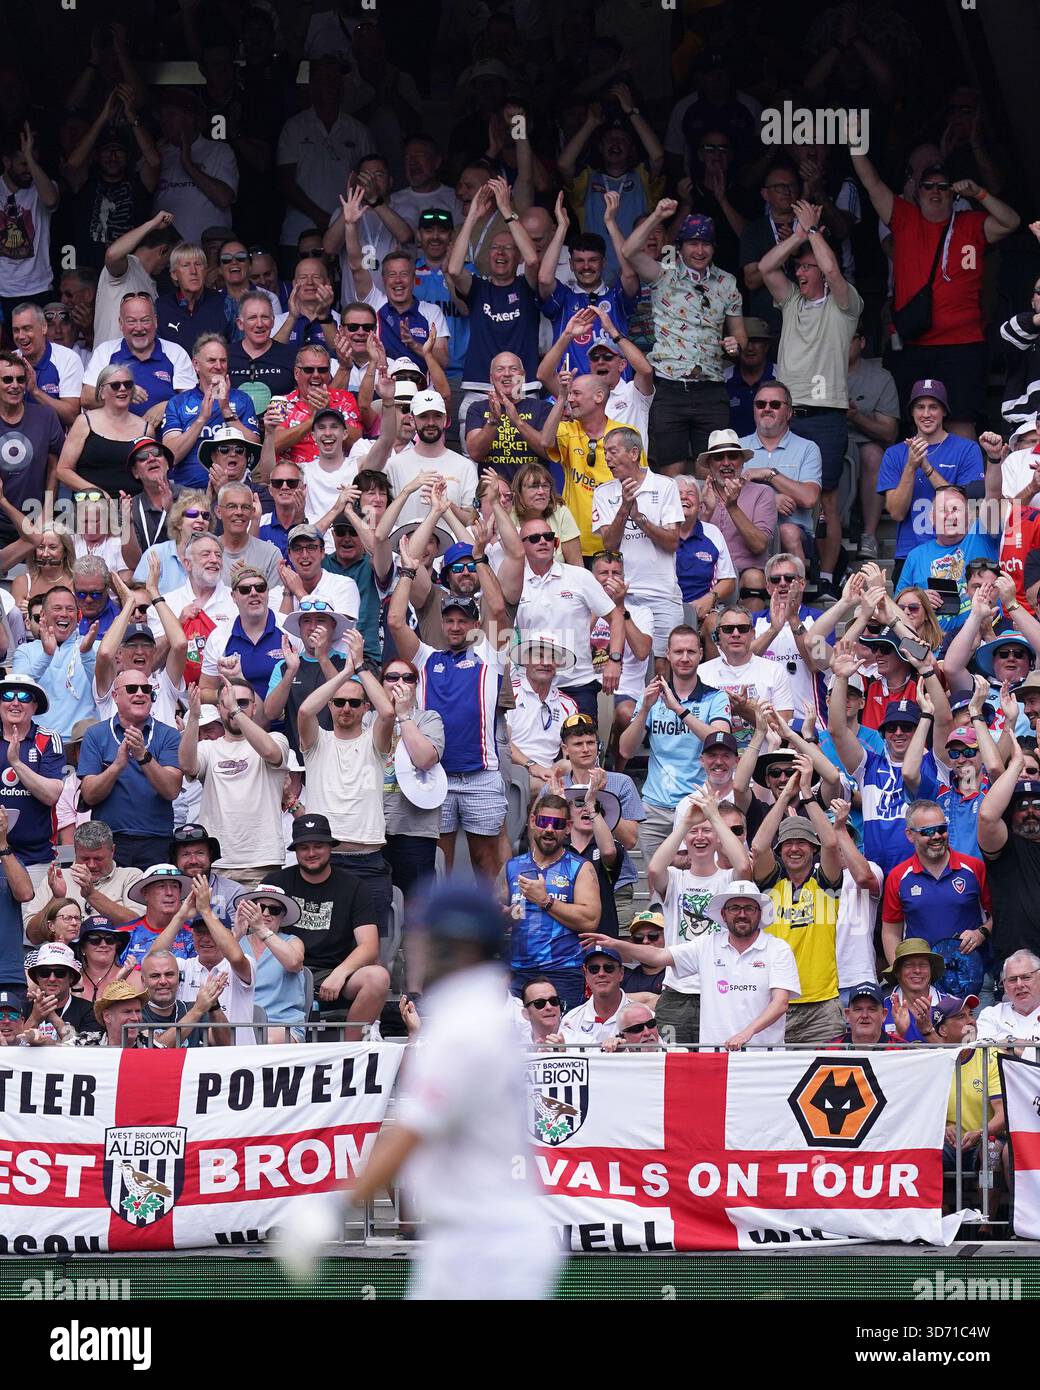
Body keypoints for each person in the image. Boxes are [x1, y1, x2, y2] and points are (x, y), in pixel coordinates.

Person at [327, 883, 561, 1301]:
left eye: (427, 935)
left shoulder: (466, 1024)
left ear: (457, 944)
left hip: (490, 1247)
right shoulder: (468, 1011)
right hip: (466, 1240)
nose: (416, 948)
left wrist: (330, 1209)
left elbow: (409, 1135)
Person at [852, 147, 1019, 434]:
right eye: (928, 186)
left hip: (963, 345)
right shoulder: (904, 218)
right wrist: (854, 144)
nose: (936, 191)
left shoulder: (971, 224)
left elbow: (1011, 221)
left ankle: (961, 481)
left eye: (943, 186)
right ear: (917, 192)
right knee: (912, 427)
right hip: (913, 345)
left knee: (961, 422)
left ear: (954, 195)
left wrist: (979, 193)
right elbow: (872, 183)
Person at [755, 201, 862, 594]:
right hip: (786, 413)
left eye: (806, 266)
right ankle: (789, 574)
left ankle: (828, 577)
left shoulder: (844, 305)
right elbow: (766, 267)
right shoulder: (790, 301)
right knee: (777, 492)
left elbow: (833, 270)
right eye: (798, 267)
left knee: (826, 501)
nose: (800, 272)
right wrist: (798, 236)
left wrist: (814, 231)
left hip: (826, 414)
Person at [588, 879, 800, 1048]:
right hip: (715, 1054)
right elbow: (658, 957)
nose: (742, 914)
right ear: (724, 914)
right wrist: (616, 944)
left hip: (763, 1056)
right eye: (734, 907)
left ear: (759, 913)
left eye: (749, 908)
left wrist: (748, 1032)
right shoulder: (707, 944)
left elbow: (780, 1003)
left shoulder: (778, 948)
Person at [621, 202, 745, 466]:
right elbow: (629, 250)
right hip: (668, 386)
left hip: (711, 387)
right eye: (692, 244)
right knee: (671, 470)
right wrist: (657, 216)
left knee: (712, 470)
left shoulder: (727, 282)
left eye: (706, 244)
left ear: (714, 247)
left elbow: (740, 336)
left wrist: (735, 346)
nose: (700, 251)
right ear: (680, 246)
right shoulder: (662, 273)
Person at [296, 630, 394, 932]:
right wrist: (345, 673)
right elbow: (304, 709)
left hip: (369, 861)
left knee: (371, 945)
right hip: (324, 862)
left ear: (365, 707)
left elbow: (388, 711)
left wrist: (361, 667)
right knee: (322, 944)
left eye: (354, 703)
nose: (346, 708)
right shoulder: (317, 742)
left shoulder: (373, 742)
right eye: (339, 702)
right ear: (331, 706)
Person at [645, 786, 752, 1043]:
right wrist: (685, 824)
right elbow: (653, 868)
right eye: (695, 832)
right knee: (674, 1068)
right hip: (677, 991)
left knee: (716, 1068)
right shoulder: (675, 879)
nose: (700, 837)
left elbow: (744, 866)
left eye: (707, 832)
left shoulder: (728, 879)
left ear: (717, 839)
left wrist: (714, 816)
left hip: (718, 990)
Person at [620, 625, 732, 861]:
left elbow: (720, 740)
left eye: (691, 652)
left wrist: (679, 710)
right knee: (656, 890)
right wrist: (645, 709)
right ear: (667, 654)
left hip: (698, 805)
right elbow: (625, 750)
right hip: (655, 808)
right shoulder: (651, 696)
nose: (684, 658)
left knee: (700, 882)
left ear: (701, 654)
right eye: (678, 652)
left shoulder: (716, 697)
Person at [270, 812, 388, 1035]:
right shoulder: (276, 883)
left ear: (330, 847)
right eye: (304, 847)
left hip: (331, 971)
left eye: (319, 846)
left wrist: (340, 973)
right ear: (295, 851)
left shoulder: (354, 886)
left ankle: (350, 1052)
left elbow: (370, 946)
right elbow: (258, 935)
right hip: (283, 970)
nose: (312, 853)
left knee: (378, 976)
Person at [751, 761, 844, 1044]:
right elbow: (758, 846)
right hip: (776, 1001)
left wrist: (806, 793)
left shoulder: (826, 885)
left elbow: (830, 843)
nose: (794, 848)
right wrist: (783, 796)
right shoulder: (770, 885)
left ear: (812, 848)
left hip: (822, 1004)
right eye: (787, 843)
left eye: (802, 842)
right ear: (780, 850)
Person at [179, 679, 289, 888]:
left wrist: (235, 710)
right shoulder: (208, 748)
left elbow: (270, 753)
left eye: (243, 702)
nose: (233, 707)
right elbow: (187, 766)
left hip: (262, 861)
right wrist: (193, 718)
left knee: (260, 921)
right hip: (218, 864)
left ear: (255, 707)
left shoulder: (276, 738)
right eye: (227, 703)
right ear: (219, 708)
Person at [592, 426, 683, 667]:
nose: (607, 458)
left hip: (662, 593)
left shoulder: (665, 486)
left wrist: (639, 518)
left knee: (666, 665)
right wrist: (624, 508)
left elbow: (673, 541)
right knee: (624, 666)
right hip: (622, 594)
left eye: (612, 451)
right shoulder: (602, 493)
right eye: (605, 452)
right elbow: (609, 545)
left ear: (634, 453)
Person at [515, 517, 624, 721]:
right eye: (535, 538)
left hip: (578, 684)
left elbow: (615, 617)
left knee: (583, 751)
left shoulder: (579, 576)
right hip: (531, 686)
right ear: (521, 546)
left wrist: (615, 660)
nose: (543, 541)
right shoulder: (514, 581)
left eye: (548, 537)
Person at [877, 379, 985, 574]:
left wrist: (927, 468)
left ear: (944, 411)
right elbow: (896, 512)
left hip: (957, 551)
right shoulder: (894, 454)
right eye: (920, 407)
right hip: (910, 554)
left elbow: (967, 507)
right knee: (908, 606)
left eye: (933, 407)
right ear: (912, 412)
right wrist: (910, 467)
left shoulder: (968, 449)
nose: (926, 414)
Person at [77, 669, 182, 869]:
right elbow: (89, 795)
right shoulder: (95, 734)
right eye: (132, 688)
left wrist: (143, 756)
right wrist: (117, 766)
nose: (140, 693)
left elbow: (171, 790)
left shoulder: (169, 735)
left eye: (146, 689)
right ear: (115, 696)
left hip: (156, 841)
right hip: (108, 843)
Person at [505, 794, 601, 1011]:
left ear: (567, 827)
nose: (549, 829)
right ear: (532, 821)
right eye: (542, 821)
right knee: (519, 1040)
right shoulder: (512, 867)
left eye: (556, 824)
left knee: (563, 1039)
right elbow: (494, 916)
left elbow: (590, 920)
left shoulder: (580, 867)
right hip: (520, 971)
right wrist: (503, 915)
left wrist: (545, 901)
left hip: (564, 970)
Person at [881, 799, 991, 989]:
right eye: (928, 831)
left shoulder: (974, 868)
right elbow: (891, 933)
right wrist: (901, 975)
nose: (937, 836)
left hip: (974, 976)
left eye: (942, 829)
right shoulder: (898, 877)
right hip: (923, 983)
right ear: (910, 835)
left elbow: (999, 915)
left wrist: (981, 932)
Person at [738, 381, 822, 570]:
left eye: (775, 405)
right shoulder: (737, 446)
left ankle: (795, 597)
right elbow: (723, 491)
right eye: (761, 404)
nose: (767, 409)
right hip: (747, 527)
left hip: (795, 530)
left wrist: (769, 474)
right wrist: (769, 500)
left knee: (788, 532)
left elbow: (809, 498)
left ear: (789, 412)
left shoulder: (807, 448)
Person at [83, 292, 195, 434]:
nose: (139, 327)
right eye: (131, 321)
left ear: (155, 322)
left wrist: (167, 406)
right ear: (121, 324)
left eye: (145, 320)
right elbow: (86, 398)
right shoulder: (106, 351)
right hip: (115, 439)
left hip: (164, 443)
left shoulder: (175, 352)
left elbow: (193, 400)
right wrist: (122, 392)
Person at [161, 333, 260, 490]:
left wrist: (226, 411)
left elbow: (254, 448)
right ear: (196, 364)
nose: (218, 366)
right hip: (189, 492)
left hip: (234, 490)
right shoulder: (178, 403)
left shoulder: (242, 399)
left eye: (223, 360)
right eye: (211, 360)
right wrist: (201, 419)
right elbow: (170, 457)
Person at [22, 821, 142, 936]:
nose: (91, 865)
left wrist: (91, 894)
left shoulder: (131, 876)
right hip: (60, 954)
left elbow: (138, 926)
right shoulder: (57, 878)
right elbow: (32, 935)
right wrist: (56, 899)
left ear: (113, 851)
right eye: (85, 859)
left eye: (98, 859)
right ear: (75, 852)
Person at [699, 604, 795, 748]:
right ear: (718, 634)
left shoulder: (775, 670)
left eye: (743, 629)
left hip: (762, 763)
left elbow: (783, 728)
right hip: (714, 765)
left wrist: (745, 709)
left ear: (753, 633)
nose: (736, 634)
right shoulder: (701, 673)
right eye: (728, 629)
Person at [977, 748, 1040, 967]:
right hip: (1018, 970)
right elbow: (986, 816)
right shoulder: (1004, 845)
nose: (1030, 811)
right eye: (1021, 805)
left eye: (1038, 805)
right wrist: (1015, 765)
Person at [11, 586, 98, 740]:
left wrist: (87, 654)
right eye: (57, 608)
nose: (64, 614)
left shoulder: (93, 646)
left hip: (82, 742)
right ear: (43, 615)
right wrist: (47, 655)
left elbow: (103, 688)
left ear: (78, 615)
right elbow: (18, 688)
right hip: (37, 742)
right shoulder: (25, 651)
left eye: (70, 609)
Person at [0, 673, 64, 874]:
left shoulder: (48, 739)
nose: (16, 702)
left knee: (39, 907)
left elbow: (51, 795)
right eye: (8, 696)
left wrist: (16, 763)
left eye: (25, 697)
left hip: (37, 857)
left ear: (35, 706)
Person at [0, 350, 63, 552]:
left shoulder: (45, 416)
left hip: (37, 519)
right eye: (7, 379)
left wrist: (46, 511)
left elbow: (55, 467)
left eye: (20, 379)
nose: (15, 385)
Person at [698, 429, 778, 578]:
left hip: (746, 572)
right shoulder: (698, 493)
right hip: (706, 572)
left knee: (754, 578)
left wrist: (732, 507)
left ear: (742, 460)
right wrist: (706, 512)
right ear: (709, 464)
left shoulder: (762, 492)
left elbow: (759, 546)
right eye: (718, 457)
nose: (726, 463)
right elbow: (686, 544)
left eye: (733, 456)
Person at [506, 635, 578, 791]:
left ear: (558, 664)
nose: (545, 663)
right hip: (514, 771)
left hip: (549, 773)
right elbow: (502, 743)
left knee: (572, 765)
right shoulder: (509, 693)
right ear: (526, 660)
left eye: (552, 657)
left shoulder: (568, 704)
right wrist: (532, 766)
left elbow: (575, 746)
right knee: (555, 789)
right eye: (539, 656)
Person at [11, 301, 83, 429]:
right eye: (16, 330)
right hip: (14, 441)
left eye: (27, 328)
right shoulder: (10, 361)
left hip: (54, 444)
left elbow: (72, 415)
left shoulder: (67, 359)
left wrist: (35, 392)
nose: (21, 336)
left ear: (44, 328)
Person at [139, 947, 227, 1048]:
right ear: (143, 981)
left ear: (179, 977)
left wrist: (214, 1005)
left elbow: (226, 1044)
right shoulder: (135, 1014)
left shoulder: (190, 1008)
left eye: (169, 974)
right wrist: (197, 1011)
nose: (163, 981)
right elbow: (157, 1049)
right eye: (155, 976)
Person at [117, 862, 197, 968]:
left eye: (174, 886)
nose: (169, 892)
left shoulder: (193, 934)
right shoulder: (122, 935)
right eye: (161, 886)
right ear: (145, 893)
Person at [154, 242, 228, 353]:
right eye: (186, 265)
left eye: (198, 264)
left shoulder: (224, 302)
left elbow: (237, 348)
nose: (193, 271)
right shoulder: (161, 307)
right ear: (174, 274)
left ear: (205, 271)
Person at [168, 822, 244, 930]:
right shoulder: (166, 893)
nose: (193, 860)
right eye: (185, 854)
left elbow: (236, 938)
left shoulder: (233, 892)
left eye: (200, 853)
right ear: (175, 860)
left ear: (210, 855)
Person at [24, 941, 99, 1038]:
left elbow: (85, 1047)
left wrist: (51, 1015)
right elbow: (12, 1047)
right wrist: (34, 1018)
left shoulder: (90, 1010)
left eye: (60, 973)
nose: (52, 978)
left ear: (71, 978)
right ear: (37, 978)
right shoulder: (23, 1009)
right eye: (44, 972)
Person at [558, 944, 630, 1045]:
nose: (601, 974)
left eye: (608, 968)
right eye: (594, 969)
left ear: (621, 973)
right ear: (586, 975)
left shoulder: (644, 1016)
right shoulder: (571, 1020)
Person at [882, 937, 948, 1043]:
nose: (917, 970)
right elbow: (875, 1054)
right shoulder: (881, 1007)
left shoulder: (951, 1006)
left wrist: (928, 1031)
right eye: (909, 965)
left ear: (931, 970)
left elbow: (958, 1054)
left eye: (923, 965)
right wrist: (898, 1033)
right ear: (897, 972)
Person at [977, 948, 1040, 1055]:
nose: (1019, 985)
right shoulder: (990, 1015)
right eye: (1012, 979)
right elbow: (986, 1057)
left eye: (1026, 977)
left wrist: (1009, 1043)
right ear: (1005, 986)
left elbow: (995, 1052)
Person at [73, 916, 131, 1004]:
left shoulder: (135, 978)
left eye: (109, 939)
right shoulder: (70, 981)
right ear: (82, 948)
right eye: (95, 940)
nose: (103, 944)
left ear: (117, 945)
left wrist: (119, 982)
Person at [88, 977, 154, 1048]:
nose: (135, 1018)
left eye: (138, 1011)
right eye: (127, 1012)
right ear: (107, 1016)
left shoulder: (155, 1050)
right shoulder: (81, 1045)